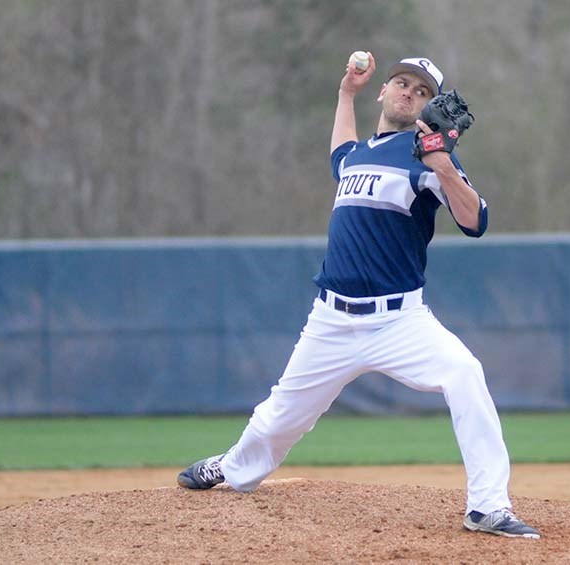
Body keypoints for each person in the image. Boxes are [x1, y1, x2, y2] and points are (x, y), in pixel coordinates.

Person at [177, 52, 540, 540]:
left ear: (429, 107)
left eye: (423, 91)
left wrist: (443, 165)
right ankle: (233, 467)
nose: (410, 93)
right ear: (384, 91)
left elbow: (476, 221)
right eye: (402, 83)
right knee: (280, 415)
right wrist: (346, 93)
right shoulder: (356, 155)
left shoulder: (427, 156)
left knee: (464, 374)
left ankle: (488, 507)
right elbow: (339, 154)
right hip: (330, 320)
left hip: (399, 321)